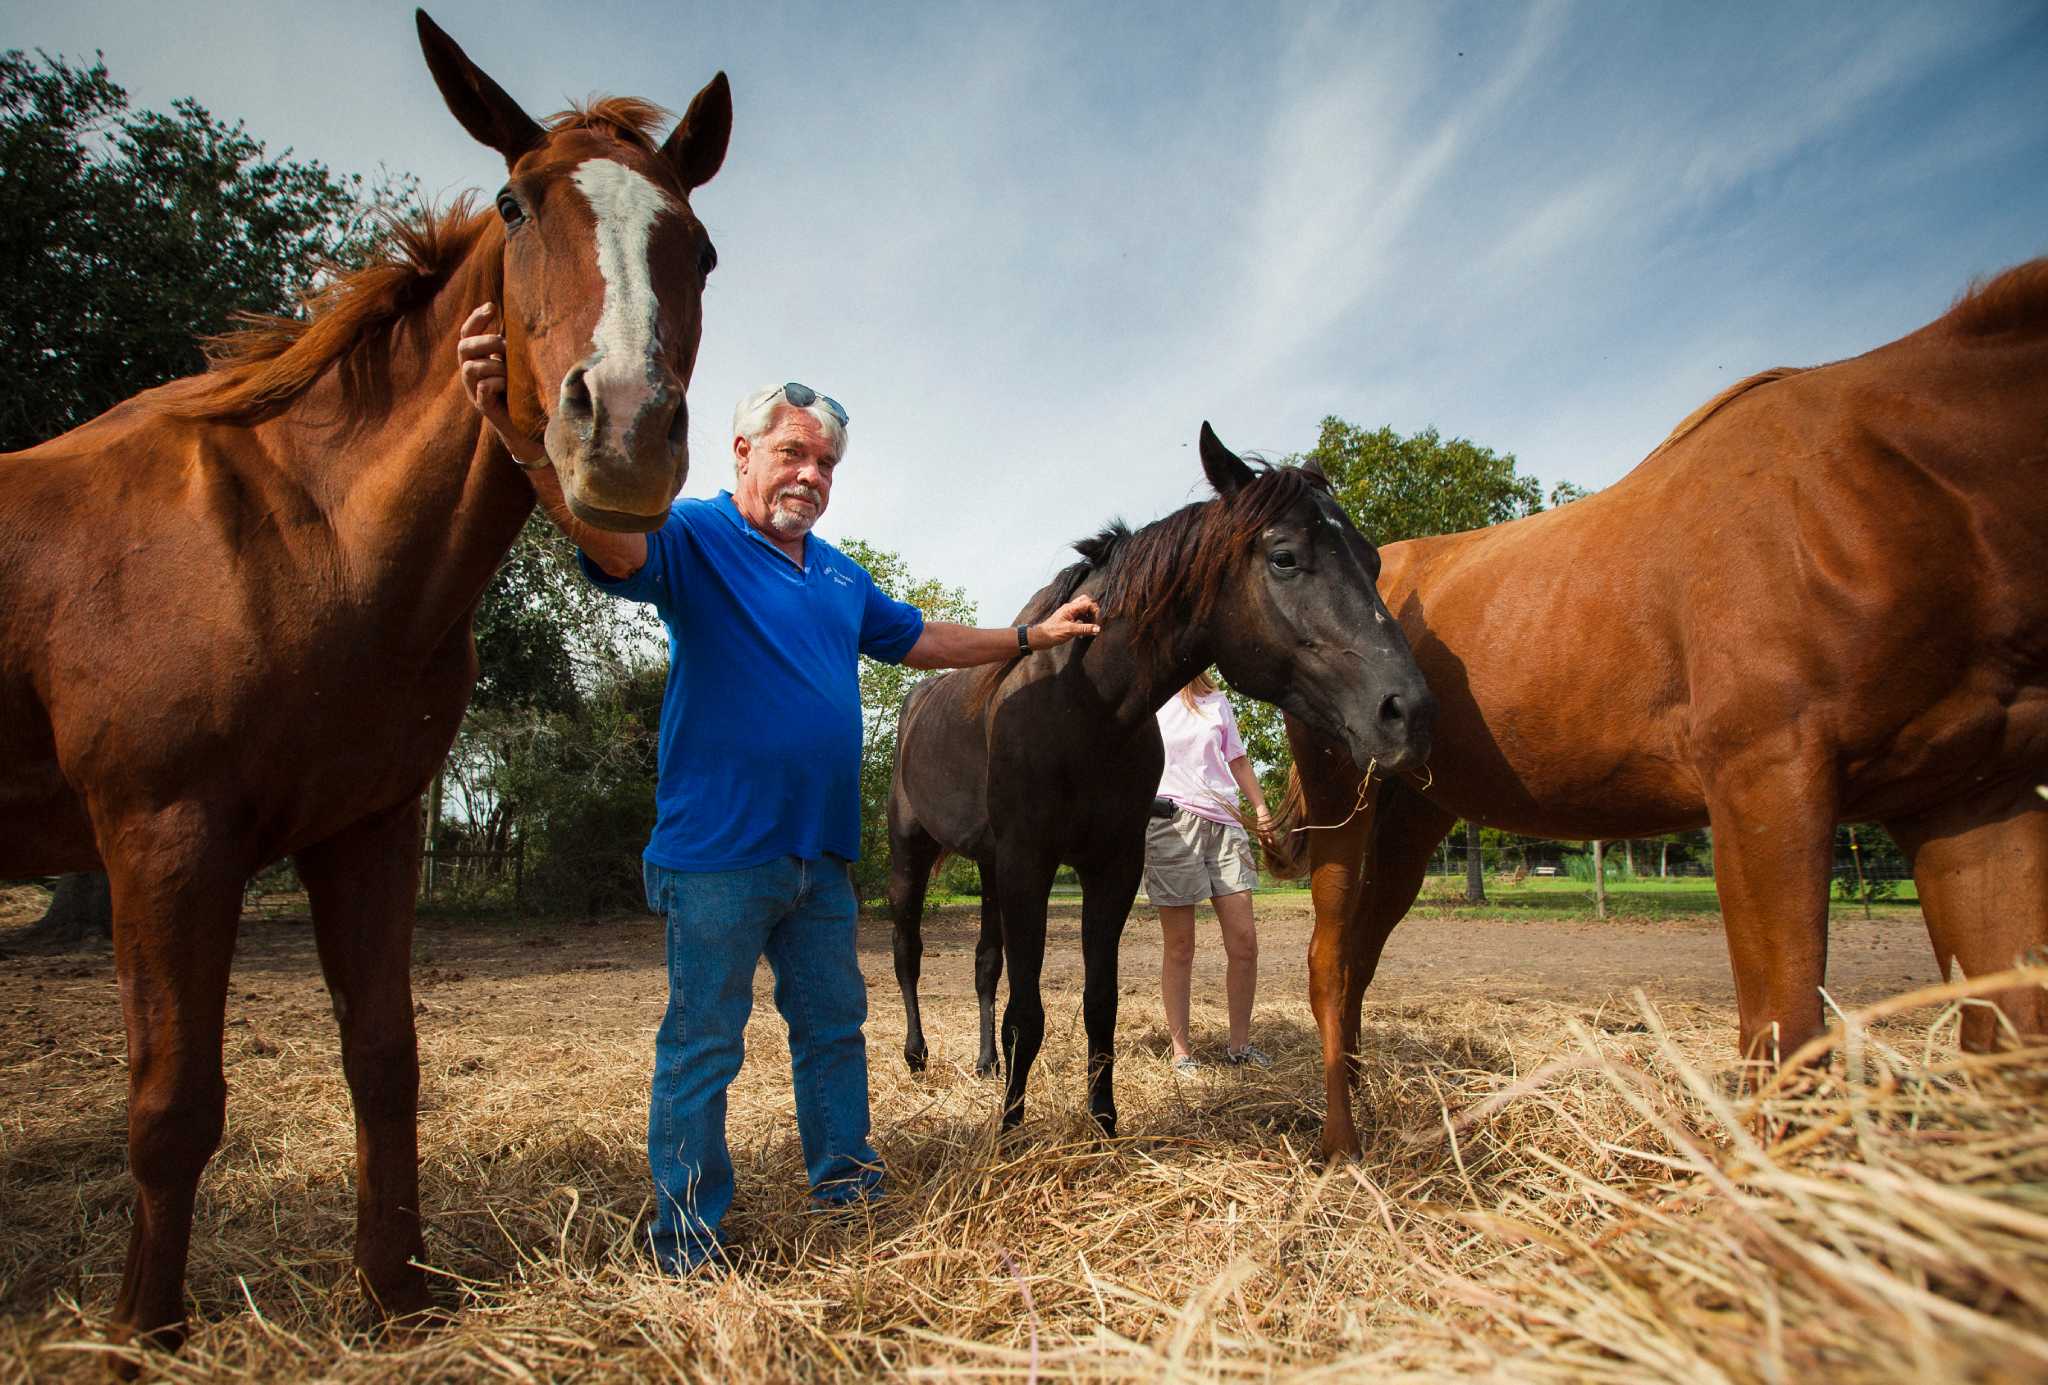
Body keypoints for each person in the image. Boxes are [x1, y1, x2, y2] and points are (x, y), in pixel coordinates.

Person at [456, 305, 1100, 1271]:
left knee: (835, 1030)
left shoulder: (840, 576)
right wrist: (524, 443)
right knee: (705, 1046)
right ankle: (685, 1237)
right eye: (795, 454)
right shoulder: (694, 534)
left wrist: (1028, 638)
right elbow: (615, 546)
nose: (812, 476)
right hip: (719, 853)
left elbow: (923, 638)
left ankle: (848, 1192)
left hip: (820, 858)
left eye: (828, 464)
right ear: (743, 450)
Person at [1144, 672, 1272, 1074]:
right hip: (1171, 823)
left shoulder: (1217, 700)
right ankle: (1182, 1051)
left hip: (1227, 824)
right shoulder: (1152, 697)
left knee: (1244, 942)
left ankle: (1239, 1046)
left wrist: (1262, 809)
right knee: (1181, 945)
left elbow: (1236, 758)